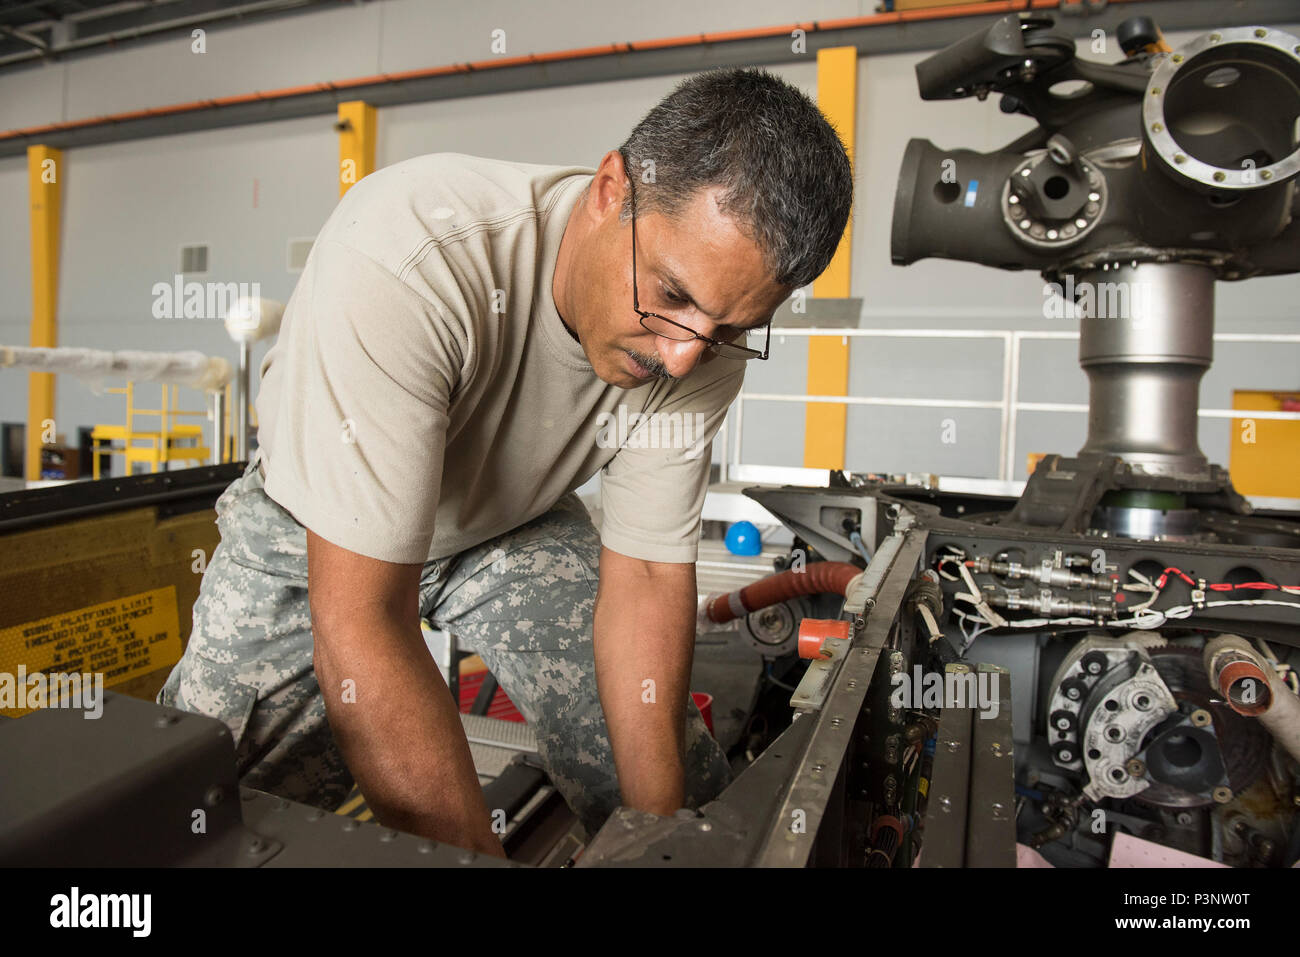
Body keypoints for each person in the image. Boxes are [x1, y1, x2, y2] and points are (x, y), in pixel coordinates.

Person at [159, 67, 853, 857]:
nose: (684, 357)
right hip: (319, 529)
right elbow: (362, 618)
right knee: (197, 807)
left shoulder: (702, 334)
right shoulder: (411, 255)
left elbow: (649, 578)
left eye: (728, 329)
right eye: (671, 296)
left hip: (509, 522)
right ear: (609, 190)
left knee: (676, 792)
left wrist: (656, 841)